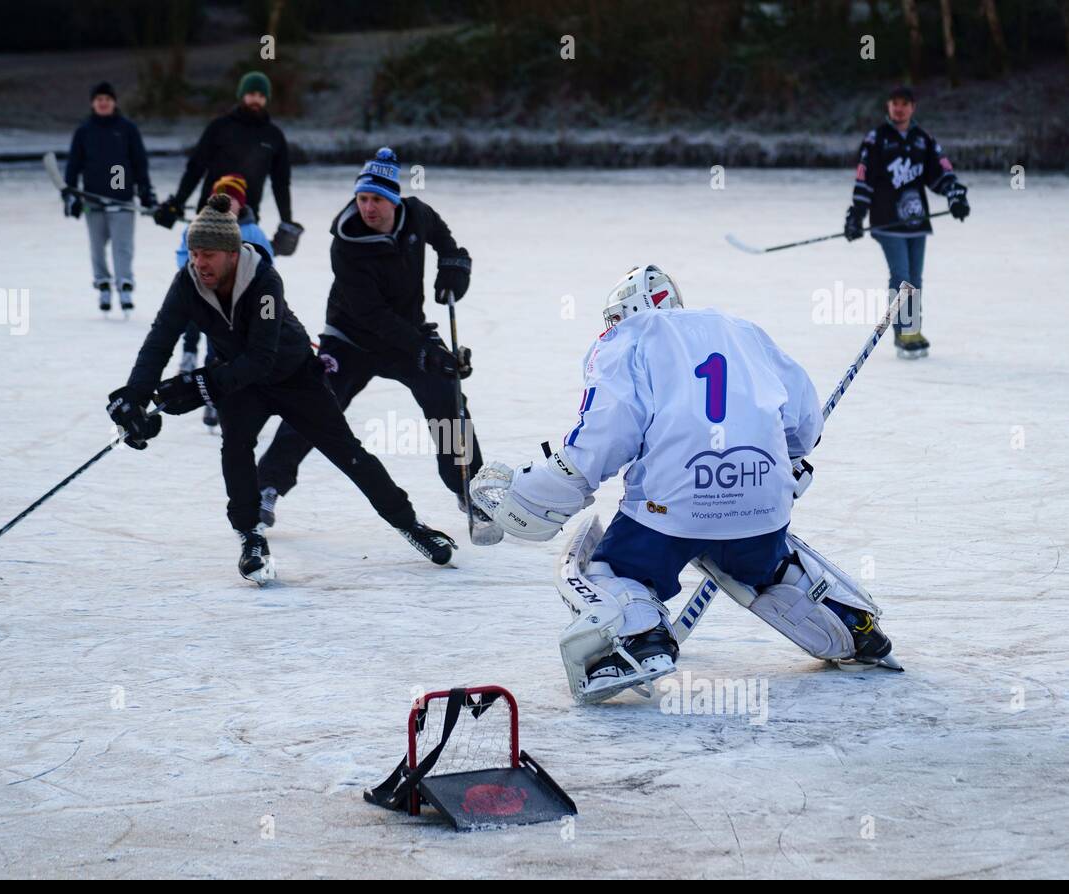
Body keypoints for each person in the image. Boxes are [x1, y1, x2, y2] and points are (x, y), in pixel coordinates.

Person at [471, 264, 901, 703]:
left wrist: (538, 494)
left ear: (624, 312)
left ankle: (642, 638)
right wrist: (778, 462)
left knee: (611, 569)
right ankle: (851, 623)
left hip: (670, 511)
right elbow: (804, 426)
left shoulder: (628, 339)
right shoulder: (743, 331)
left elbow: (605, 435)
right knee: (769, 565)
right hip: (759, 500)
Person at [106, 193, 456, 585]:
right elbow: (160, 339)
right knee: (235, 449)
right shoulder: (187, 282)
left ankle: (409, 524)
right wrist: (136, 397)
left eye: (208, 255)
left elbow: (261, 357)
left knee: (347, 452)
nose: (199, 263)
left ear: (232, 253)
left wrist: (200, 385)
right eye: (194, 253)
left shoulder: (265, 282)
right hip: (239, 380)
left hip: (294, 376)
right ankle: (250, 534)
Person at [254, 148, 495, 541]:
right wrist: (424, 350)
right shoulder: (346, 244)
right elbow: (371, 316)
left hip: (409, 329)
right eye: (362, 198)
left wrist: (454, 265)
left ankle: (468, 487)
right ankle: (267, 486)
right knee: (315, 406)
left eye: (376, 200)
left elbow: (444, 240)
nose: (367, 207)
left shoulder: (417, 214)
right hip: (351, 338)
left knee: (446, 397)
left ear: (394, 200)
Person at [844, 85, 969, 359]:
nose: (899, 108)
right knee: (901, 276)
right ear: (888, 107)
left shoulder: (923, 139)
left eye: (904, 104)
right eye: (894, 103)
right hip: (887, 222)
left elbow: (941, 172)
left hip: (916, 221)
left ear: (913, 107)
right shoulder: (876, 139)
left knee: (915, 279)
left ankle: (913, 328)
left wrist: (955, 196)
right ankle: (904, 331)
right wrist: (856, 214)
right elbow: (864, 179)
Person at [153, 71, 303, 258]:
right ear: (242, 95)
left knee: (246, 273)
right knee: (202, 269)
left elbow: (281, 182)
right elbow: (195, 168)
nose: (256, 99)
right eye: (251, 94)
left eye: (261, 95)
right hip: (208, 214)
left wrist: (286, 220)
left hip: (247, 216)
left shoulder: (273, 136)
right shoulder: (220, 127)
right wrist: (178, 202)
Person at [174, 174, 272, 429]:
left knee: (247, 355)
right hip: (209, 299)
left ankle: (250, 403)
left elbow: (267, 265)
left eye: (232, 201)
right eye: (221, 199)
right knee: (214, 350)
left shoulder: (252, 231)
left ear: (241, 204)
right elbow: (183, 253)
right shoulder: (197, 227)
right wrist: (194, 272)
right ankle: (212, 399)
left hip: (244, 308)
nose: (226, 205)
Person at [62, 81, 155, 317]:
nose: (103, 103)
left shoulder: (127, 129)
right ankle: (102, 283)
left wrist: (146, 192)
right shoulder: (84, 131)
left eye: (107, 99)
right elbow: (73, 165)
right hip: (93, 200)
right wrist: (70, 194)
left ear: (114, 102)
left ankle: (125, 285)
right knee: (97, 247)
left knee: (122, 247)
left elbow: (139, 163)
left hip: (122, 200)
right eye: (99, 99)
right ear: (93, 103)